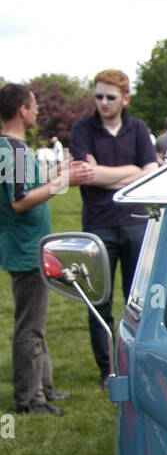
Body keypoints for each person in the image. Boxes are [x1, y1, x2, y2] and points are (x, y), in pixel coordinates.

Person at [0, 83, 91, 414]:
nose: (38, 112)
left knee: (37, 323)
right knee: (30, 327)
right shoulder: (14, 150)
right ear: (22, 109)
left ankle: (45, 387)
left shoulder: (12, 148)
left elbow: (29, 184)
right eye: (34, 106)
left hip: (27, 248)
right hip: (24, 251)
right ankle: (29, 399)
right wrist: (64, 183)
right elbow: (21, 201)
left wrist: (60, 172)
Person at [68, 69, 158, 385]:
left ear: (125, 98)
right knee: (99, 301)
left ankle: (136, 362)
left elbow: (151, 172)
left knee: (138, 299)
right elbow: (85, 174)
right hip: (99, 226)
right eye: (98, 96)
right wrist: (131, 171)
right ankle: (107, 368)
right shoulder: (82, 130)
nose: (103, 103)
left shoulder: (137, 129)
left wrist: (107, 173)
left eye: (110, 97)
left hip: (134, 222)